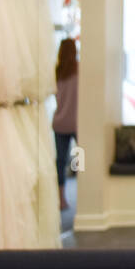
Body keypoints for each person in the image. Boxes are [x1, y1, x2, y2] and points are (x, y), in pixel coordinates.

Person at [53, 38, 78, 211]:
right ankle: (83, 197)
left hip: (59, 123)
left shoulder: (57, 72)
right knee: (80, 161)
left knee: (60, 162)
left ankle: (61, 199)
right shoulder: (80, 69)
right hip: (77, 124)